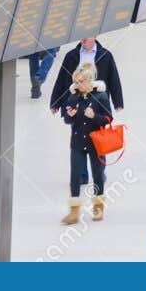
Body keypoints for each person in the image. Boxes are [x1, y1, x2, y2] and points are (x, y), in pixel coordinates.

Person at [58, 65, 111, 225]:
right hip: (77, 143)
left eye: (81, 81)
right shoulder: (73, 98)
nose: (78, 85)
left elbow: (108, 119)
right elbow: (68, 120)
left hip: (96, 143)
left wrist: (94, 116)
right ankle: (74, 211)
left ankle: (98, 207)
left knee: (97, 174)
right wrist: (70, 116)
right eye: (76, 82)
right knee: (75, 176)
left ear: (90, 80)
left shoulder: (101, 97)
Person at [50, 36, 125, 116]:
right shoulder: (71, 55)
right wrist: (55, 103)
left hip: (97, 101)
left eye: (88, 35)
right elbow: (61, 79)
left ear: (95, 36)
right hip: (76, 102)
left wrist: (118, 102)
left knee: (97, 125)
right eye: (82, 34)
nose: (84, 38)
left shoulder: (106, 55)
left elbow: (114, 79)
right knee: (79, 127)